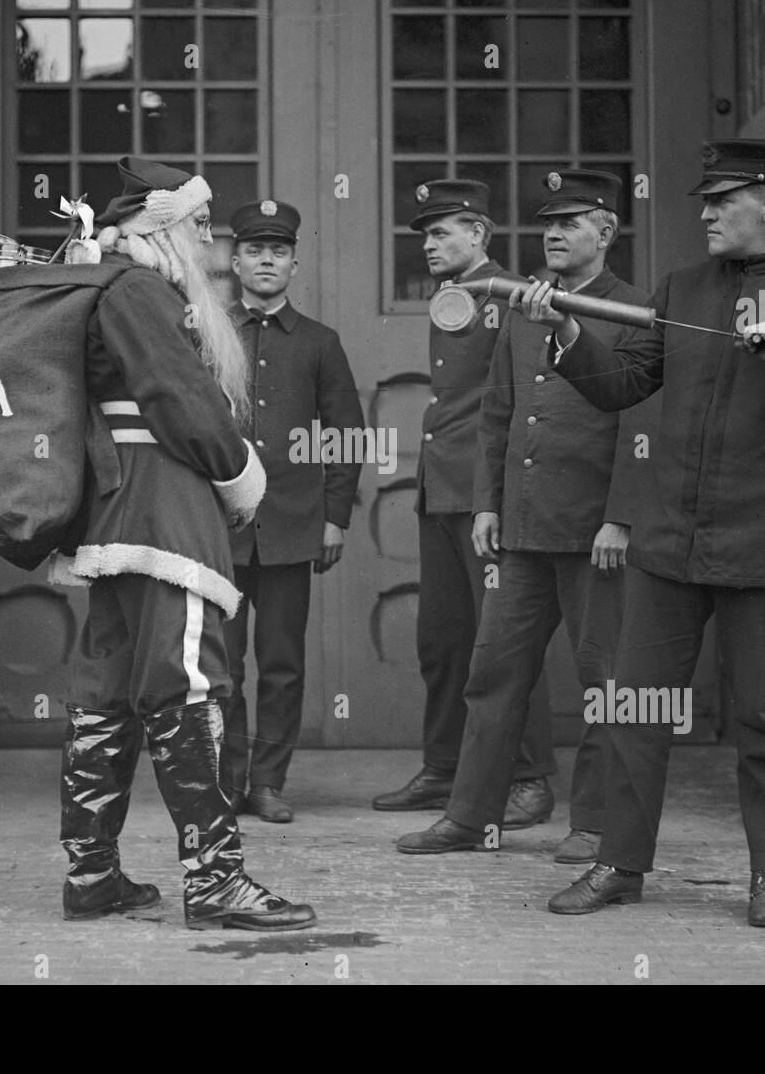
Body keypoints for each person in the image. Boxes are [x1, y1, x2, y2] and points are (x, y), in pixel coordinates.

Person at [517, 139, 765, 926]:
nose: (703, 212)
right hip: (669, 546)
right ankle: (620, 865)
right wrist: (563, 332)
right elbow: (622, 383)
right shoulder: (682, 288)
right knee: (637, 710)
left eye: (720, 201)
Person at [51, 156, 315, 930]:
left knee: (105, 698)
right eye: (200, 222)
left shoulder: (113, 284)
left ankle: (92, 875)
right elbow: (184, 402)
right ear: (160, 226)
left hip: (118, 519)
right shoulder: (140, 289)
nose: (213, 236)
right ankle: (216, 881)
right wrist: (241, 476)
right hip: (163, 515)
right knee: (191, 687)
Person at [397, 170, 653, 859]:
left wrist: (621, 518)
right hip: (522, 530)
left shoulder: (634, 308)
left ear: (606, 231)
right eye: (549, 223)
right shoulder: (520, 306)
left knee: (604, 682)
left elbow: (642, 426)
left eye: (572, 222)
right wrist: (487, 504)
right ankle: (469, 816)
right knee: (493, 674)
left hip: (594, 531)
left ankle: (596, 823)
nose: (555, 233)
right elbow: (499, 415)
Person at [372, 180, 555, 826]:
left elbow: (515, 407)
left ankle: (528, 777)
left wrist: (497, 499)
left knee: (502, 643)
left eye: (442, 232)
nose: (428, 244)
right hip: (442, 489)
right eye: (425, 234)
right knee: (444, 640)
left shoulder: (512, 298)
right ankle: (445, 767)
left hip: (486, 497)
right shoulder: (457, 298)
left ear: (479, 233)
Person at [221, 199, 365, 823]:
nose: (266, 260)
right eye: (255, 250)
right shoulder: (207, 333)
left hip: (291, 526)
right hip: (220, 529)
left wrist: (334, 517)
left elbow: (345, 435)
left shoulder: (319, 343)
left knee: (281, 663)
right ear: (235, 260)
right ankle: (226, 782)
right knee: (220, 664)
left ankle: (267, 783)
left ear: (294, 264)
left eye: (278, 251)